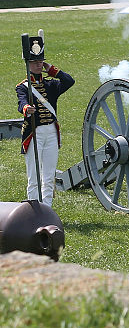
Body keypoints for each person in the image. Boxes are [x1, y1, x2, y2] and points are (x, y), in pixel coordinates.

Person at [15, 32, 74, 206]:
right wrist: (27, 109)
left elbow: (69, 81)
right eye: (35, 62)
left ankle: (47, 210)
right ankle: (33, 211)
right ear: (28, 64)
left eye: (41, 61)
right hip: (34, 133)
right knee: (34, 177)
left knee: (48, 177)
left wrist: (53, 69)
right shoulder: (23, 86)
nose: (39, 65)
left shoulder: (51, 84)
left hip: (51, 133)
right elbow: (21, 103)